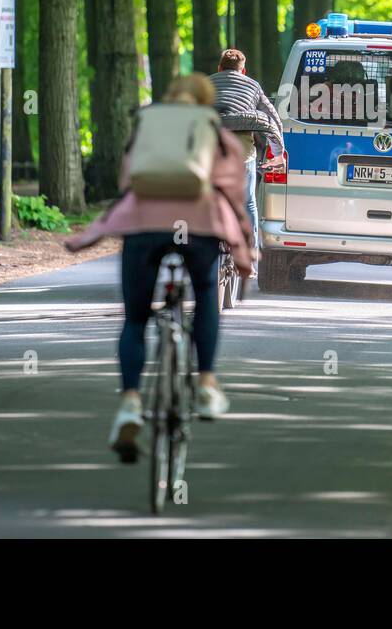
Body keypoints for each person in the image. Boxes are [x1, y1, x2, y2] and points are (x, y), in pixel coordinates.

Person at [65, 73, 256, 462]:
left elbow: (128, 179)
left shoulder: (146, 126)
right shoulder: (217, 134)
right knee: (205, 294)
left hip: (144, 224)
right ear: (206, 103)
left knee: (135, 318)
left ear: (169, 99)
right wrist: (243, 246)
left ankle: (131, 402)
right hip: (200, 225)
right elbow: (234, 196)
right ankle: (205, 382)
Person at [209, 48, 284, 273]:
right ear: (244, 71)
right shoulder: (252, 86)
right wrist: (278, 152)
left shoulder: (206, 83)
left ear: (219, 68)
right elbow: (272, 118)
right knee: (248, 202)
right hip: (241, 151)